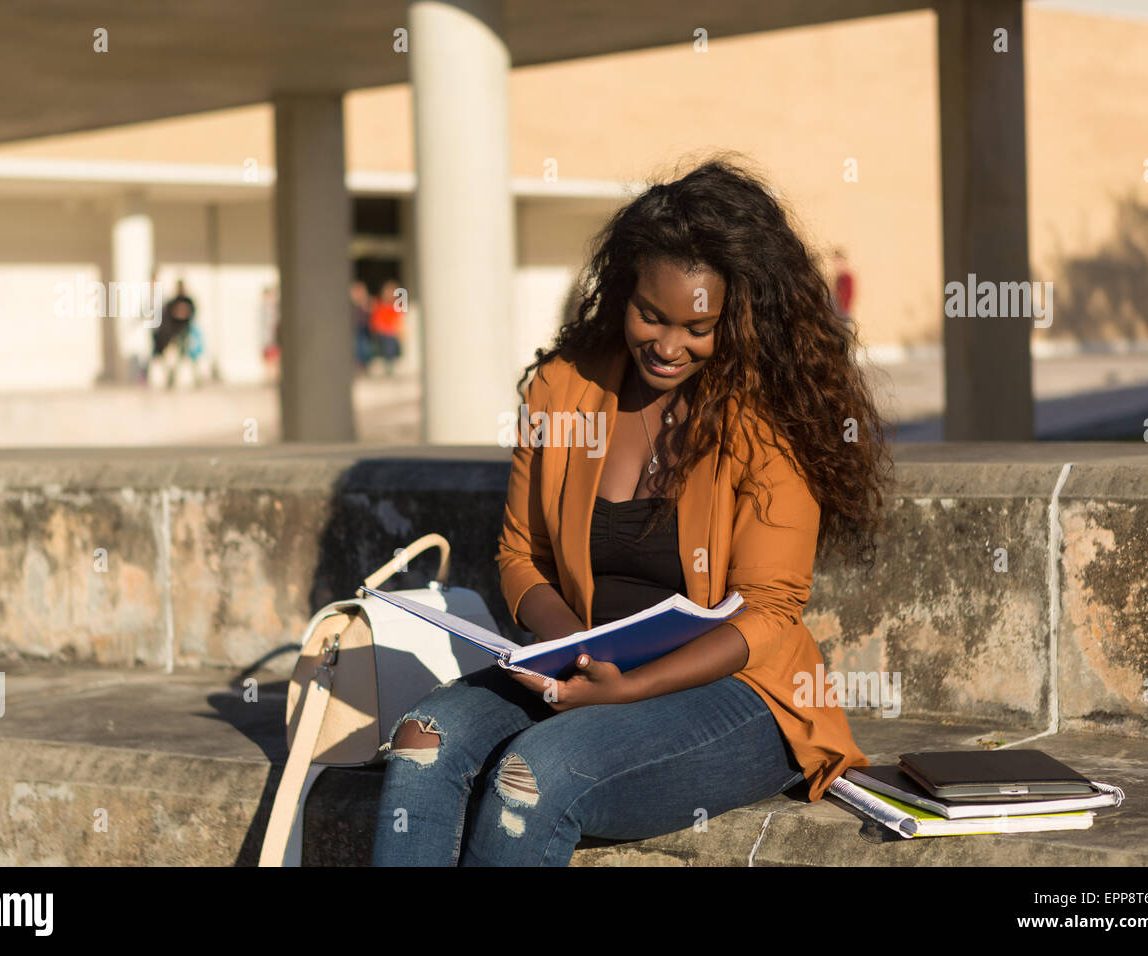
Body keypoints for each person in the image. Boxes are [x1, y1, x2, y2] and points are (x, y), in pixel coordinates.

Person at [370, 157, 892, 867]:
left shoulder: (770, 418)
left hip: (737, 693)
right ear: (625, 291)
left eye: (696, 326)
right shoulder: (563, 391)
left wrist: (628, 686)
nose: (669, 345)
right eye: (651, 315)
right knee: (422, 740)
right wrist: (579, 657)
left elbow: (770, 613)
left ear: (737, 315)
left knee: (533, 776)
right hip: (584, 666)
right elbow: (520, 557)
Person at [150, 279, 199, 387]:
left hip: (185, 331)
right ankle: (171, 376)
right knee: (166, 355)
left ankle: (196, 379)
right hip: (174, 332)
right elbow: (168, 315)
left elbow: (193, 313)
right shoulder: (172, 302)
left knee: (189, 355)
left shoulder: (188, 300)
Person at [368, 279, 404, 375]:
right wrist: (388, 330)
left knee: (391, 341)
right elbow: (376, 325)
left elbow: (398, 324)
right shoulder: (379, 306)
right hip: (382, 337)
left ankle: (390, 365)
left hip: (393, 337)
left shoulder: (397, 307)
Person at [350, 279, 373, 372]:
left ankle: (364, 365)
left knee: (365, 347)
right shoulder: (351, 305)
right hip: (355, 330)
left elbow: (371, 314)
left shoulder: (366, 304)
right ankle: (358, 365)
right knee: (356, 347)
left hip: (365, 329)